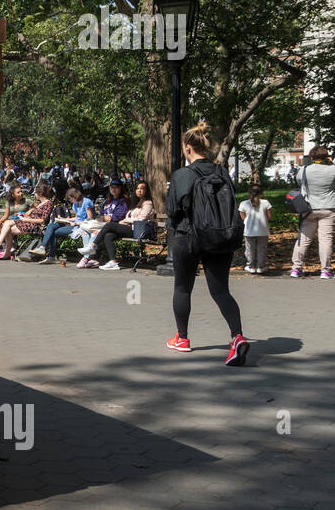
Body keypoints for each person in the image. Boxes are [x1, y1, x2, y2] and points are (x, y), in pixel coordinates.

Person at [165, 123, 248, 364]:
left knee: (182, 288)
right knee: (221, 291)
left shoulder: (181, 175)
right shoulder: (221, 172)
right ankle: (237, 336)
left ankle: (182, 339)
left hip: (187, 236)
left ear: (188, 148)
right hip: (219, 236)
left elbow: (172, 210)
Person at [80, 181, 152, 270]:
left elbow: (142, 218)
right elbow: (128, 216)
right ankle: (113, 262)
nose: (139, 190)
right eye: (137, 188)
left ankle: (92, 246)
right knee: (108, 235)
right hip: (131, 228)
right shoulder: (136, 203)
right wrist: (125, 220)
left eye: (142, 188)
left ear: (146, 190)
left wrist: (125, 220)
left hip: (139, 230)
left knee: (109, 226)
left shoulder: (148, 203)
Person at [289, 145, 335, 279]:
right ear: (326, 156)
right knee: (326, 240)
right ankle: (325, 270)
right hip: (328, 208)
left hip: (308, 209)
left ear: (312, 157)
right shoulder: (333, 170)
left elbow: (299, 183)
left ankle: (296, 269)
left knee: (303, 239)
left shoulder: (304, 170)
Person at [0, 183, 53, 259]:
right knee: (7, 227)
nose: (34, 195)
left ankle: (1, 245)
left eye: (35, 193)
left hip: (35, 226)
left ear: (39, 194)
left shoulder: (48, 203)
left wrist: (26, 219)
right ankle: (5, 252)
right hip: (28, 222)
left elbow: (43, 220)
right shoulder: (41, 203)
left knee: (7, 226)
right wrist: (24, 214)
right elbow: (35, 215)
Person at [33, 187, 94, 264]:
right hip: (76, 225)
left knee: (53, 231)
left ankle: (48, 254)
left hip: (82, 226)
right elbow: (77, 217)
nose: (70, 201)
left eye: (70, 199)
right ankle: (44, 250)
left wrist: (75, 223)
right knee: (52, 226)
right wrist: (65, 219)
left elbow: (89, 220)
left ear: (74, 196)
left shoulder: (86, 202)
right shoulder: (75, 204)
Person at [238, 185, 272, 275]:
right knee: (262, 249)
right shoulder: (265, 203)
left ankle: (251, 266)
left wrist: (247, 220)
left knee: (249, 249)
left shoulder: (244, 203)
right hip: (263, 230)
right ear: (261, 193)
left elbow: (242, 216)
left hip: (249, 231)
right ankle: (261, 266)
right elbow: (269, 217)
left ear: (249, 193)